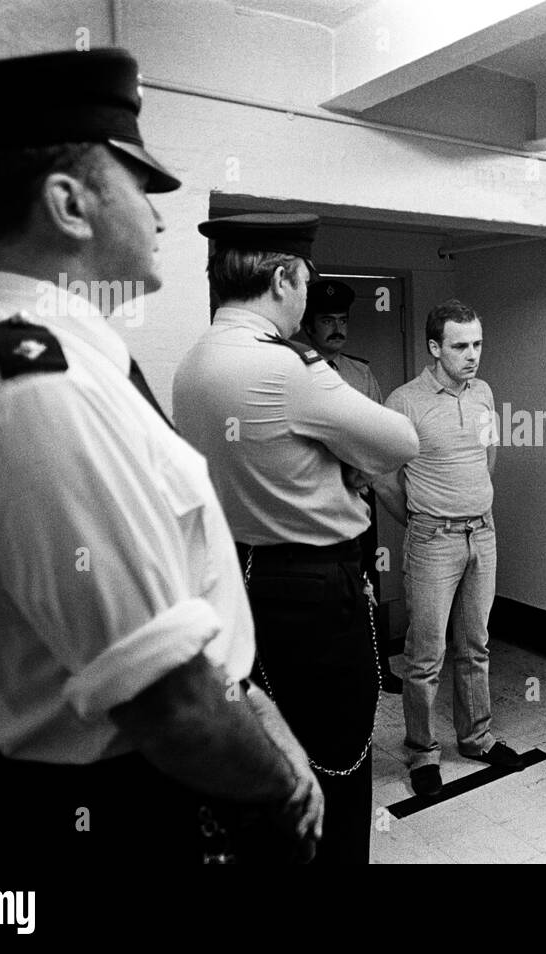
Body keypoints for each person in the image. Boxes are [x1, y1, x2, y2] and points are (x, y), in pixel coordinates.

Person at [0, 49, 322, 864]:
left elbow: (179, 617)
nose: (159, 217)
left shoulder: (60, 361)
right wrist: (281, 793)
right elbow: (171, 704)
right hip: (96, 815)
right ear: (69, 203)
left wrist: (256, 709)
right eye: (139, 185)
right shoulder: (40, 391)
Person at [173, 213, 418, 863]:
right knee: (339, 758)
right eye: (306, 281)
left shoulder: (194, 361)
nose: (308, 299)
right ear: (284, 277)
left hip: (240, 575)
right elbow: (402, 442)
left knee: (276, 753)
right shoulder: (289, 368)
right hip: (314, 591)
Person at [375, 299, 523, 798]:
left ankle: (476, 738)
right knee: (425, 654)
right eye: (461, 345)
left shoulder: (483, 392)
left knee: (476, 644)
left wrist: (474, 505)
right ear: (435, 347)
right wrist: (423, 517)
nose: (472, 354)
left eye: (478, 344)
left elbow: (488, 456)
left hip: (483, 532)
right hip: (432, 539)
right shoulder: (405, 401)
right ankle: (422, 753)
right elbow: (383, 477)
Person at [292, 278, 403, 694]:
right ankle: (335, 670)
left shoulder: (360, 373)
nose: (337, 328)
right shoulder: (297, 370)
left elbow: (377, 434)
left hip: (360, 498)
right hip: (317, 501)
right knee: (326, 584)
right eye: (327, 320)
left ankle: (377, 666)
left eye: (342, 319)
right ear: (308, 325)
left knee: (368, 578)